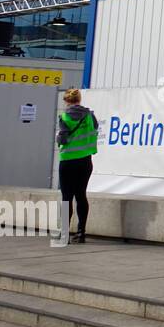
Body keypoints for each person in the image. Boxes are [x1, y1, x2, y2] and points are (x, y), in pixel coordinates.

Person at [56, 88, 98, 244]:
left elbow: (63, 140)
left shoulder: (65, 117)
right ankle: (81, 233)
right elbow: (94, 129)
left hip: (67, 161)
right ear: (79, 99)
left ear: (67, 101)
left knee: (67, 197)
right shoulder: (90, 116)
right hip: (85, 161)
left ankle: (64, 235)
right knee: (81, 196)